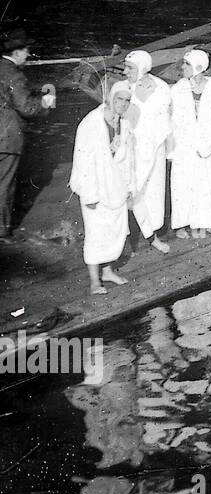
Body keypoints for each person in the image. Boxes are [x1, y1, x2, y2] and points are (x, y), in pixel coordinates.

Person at [70, 81, 134, 294]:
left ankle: (107, 270)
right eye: (119, 99)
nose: (123, 104)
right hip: (94, 185)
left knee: (113, 229)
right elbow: (82, 160)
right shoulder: (91, 123)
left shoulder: (123, 123)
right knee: (96, 231)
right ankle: (94, 281)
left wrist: (129, 188)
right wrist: (89, 193)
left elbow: (127, 158)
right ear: (110, 98)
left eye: (127, 100)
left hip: (114, 185)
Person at [0, 28, 56, 243]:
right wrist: (45, 103)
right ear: (15, 53)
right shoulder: (14, 74)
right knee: (4, 183)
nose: (28, 55)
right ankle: (2, 232)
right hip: (6, 138)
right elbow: (26, 108)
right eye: (25, 51)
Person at [169, 49, 211, 240]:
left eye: (187, 64)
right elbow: (170, 119)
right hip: (184, 145)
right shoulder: (177, 89)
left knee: (208, 183)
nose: (182, 68)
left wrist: (209, 145)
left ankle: (208, 221)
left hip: (207, 145)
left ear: (198, 67)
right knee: (182, 183)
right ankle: (181, 223)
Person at [122, 51, 172, 252]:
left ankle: (152, 232)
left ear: (142, 68)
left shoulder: (161, 87)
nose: (125, 72)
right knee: (131, 190)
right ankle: (128, 238)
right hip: (131, 148)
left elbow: (166, 120)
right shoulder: (123, 89)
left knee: (153, 191)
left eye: (130, 68)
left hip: (154, 148)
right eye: (125, 67)